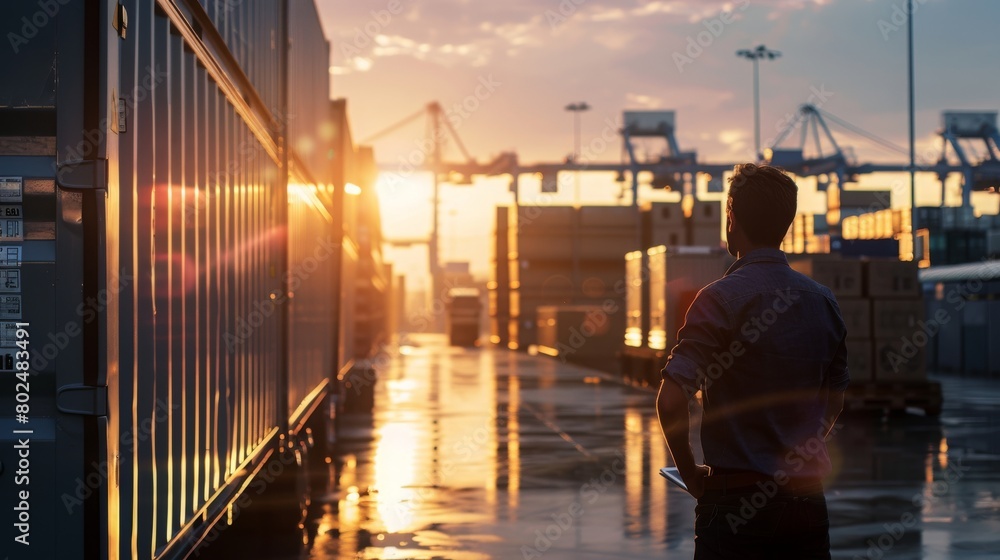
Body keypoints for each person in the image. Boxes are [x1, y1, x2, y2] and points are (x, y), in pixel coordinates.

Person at [656, 163, 849, 559]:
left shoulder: (718, 299)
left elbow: (671, 401)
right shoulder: (823, 301)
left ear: (731, 217)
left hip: (735, 508)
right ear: (787, 223)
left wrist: (692, 476)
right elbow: (833, 401)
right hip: (807, 505)